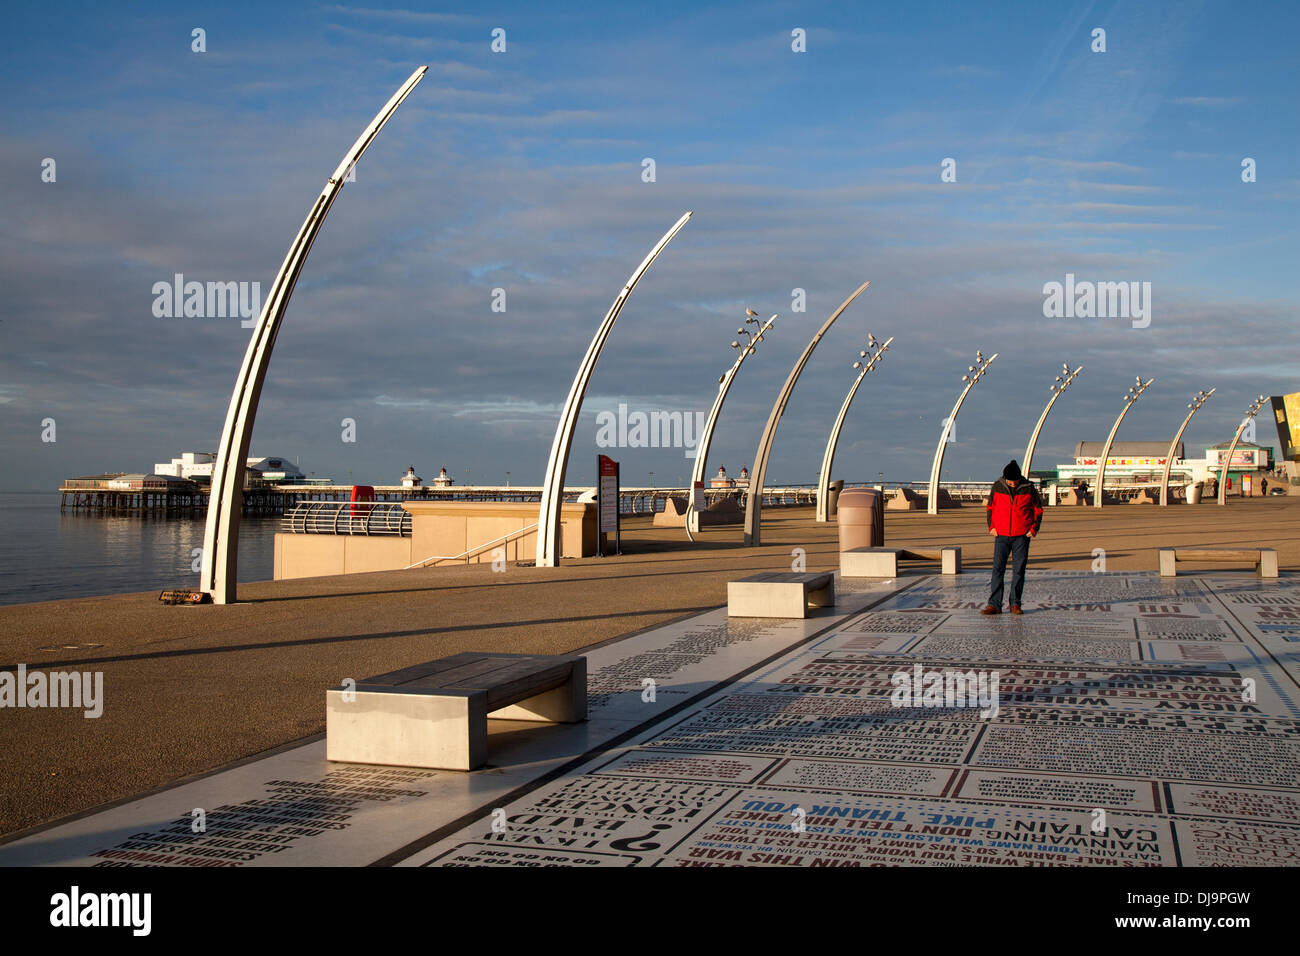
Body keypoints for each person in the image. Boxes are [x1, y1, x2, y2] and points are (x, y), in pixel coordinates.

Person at [982, 460, 1043, 615]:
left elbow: (1038, 510)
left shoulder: (1028, 488)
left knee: (1018, 571)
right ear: (1005, 478)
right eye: (1010, 481)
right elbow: (990, 507)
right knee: (997, 569)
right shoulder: (997, 486)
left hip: (1021, 536)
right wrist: (991, 526)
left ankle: (1015, 604)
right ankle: (994, 605)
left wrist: (1033, 529)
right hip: (1001, 534)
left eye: (1015, 481)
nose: (1013, 484)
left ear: (1019, 478)